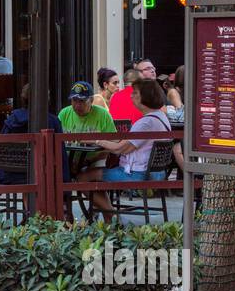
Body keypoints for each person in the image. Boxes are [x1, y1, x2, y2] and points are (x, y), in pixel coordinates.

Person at [76, 79, 179, 222]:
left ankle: (111, 214)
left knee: (83, 177)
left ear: (146, 96)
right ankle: (108, 214)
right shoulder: (160, 117)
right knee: (96, 174)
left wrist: (96, 140)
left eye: (135, 93)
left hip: (138, 175)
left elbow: (119, 149)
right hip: (156, 173)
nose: (131, 96)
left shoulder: (146, 123)